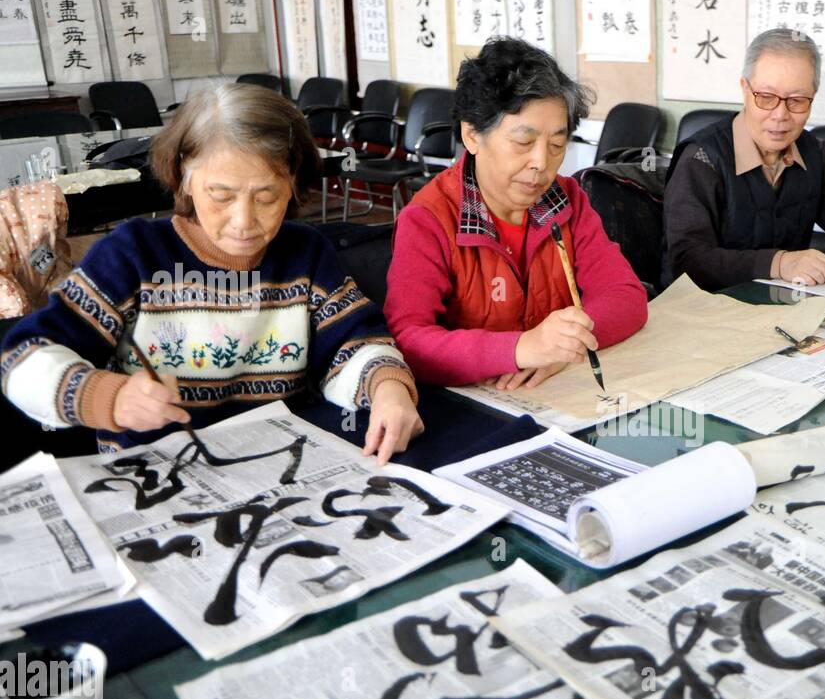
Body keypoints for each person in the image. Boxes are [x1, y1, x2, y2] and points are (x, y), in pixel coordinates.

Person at [0, 83, 422, 462]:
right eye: (220, 195)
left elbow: (353, 345)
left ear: (293, 185)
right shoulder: (134, 256)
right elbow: (23, 357)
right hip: (158, 473)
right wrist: (103, 397)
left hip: (278, 461)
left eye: (266, 197)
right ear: (184, 177)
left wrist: (387, 389)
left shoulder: (304, 254)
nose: (243, 221)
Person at [385, 37, 648, 392]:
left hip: (558, 397)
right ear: (473, 135)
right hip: (475, 408)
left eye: (557, 145)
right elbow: (409, 339)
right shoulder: (430, 218)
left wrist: (564, 346)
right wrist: (522, 348)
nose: (542, 163)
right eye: (524, 143)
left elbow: (626, 296)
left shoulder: (567, 200)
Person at [663, 28, 825, 292]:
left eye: (797, 100)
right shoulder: (702, 158)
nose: (780, 115)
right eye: (767, 98)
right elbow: (688, 260)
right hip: (705, 309)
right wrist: (779, 263)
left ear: (813, 98)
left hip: (782, 308)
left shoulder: (813, 153)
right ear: (745, 90)